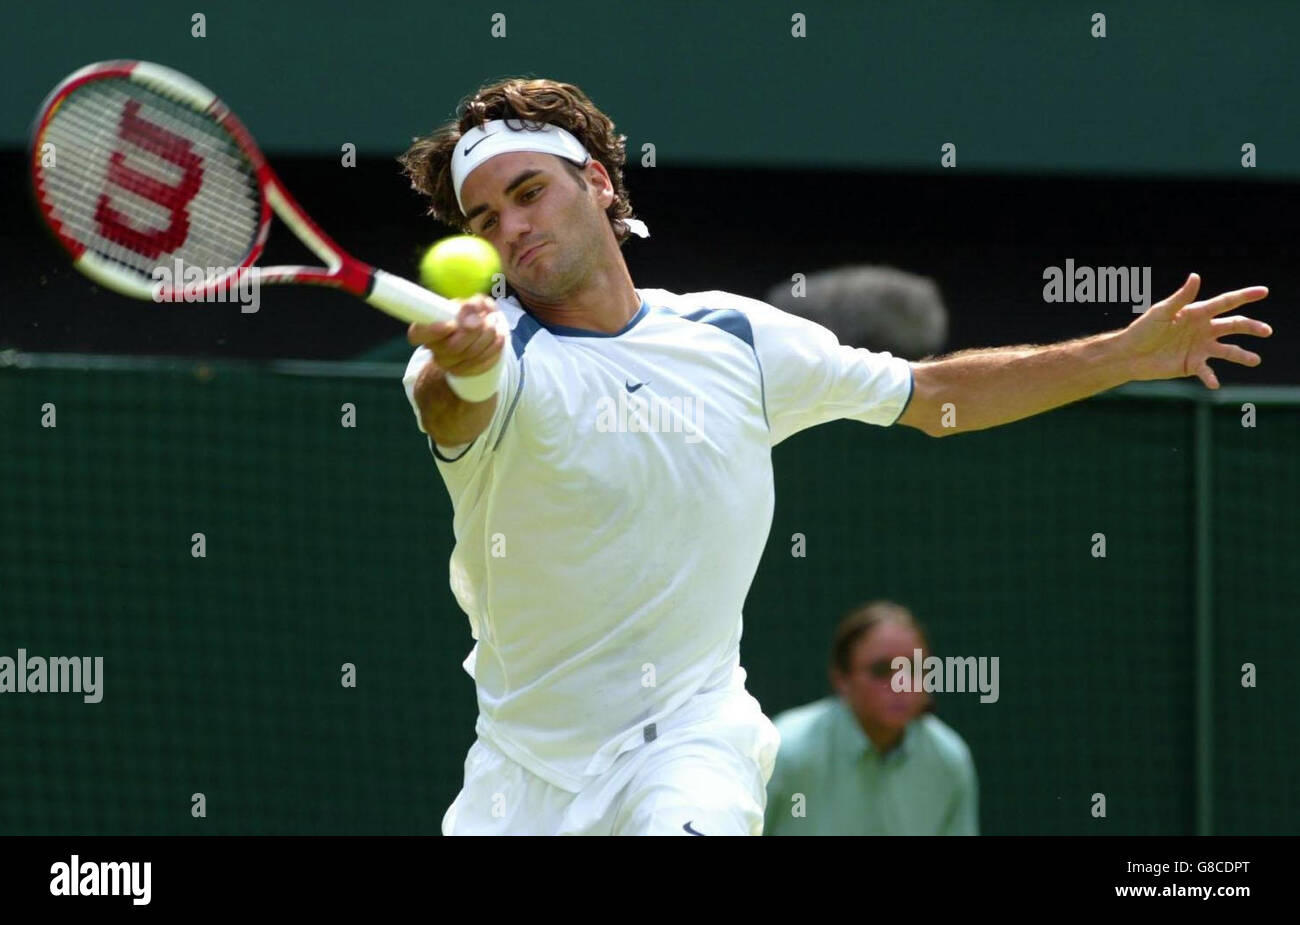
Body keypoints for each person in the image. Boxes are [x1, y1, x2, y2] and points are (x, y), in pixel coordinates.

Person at [395, 77, 1271, 836]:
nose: (511, 227)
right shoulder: (486, 357)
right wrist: (462, 367)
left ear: (593, 182)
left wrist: (1122, 353)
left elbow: (933, 399)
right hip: (521, 774)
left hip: (690, 740)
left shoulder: (736, 336)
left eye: (528, 192)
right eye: (486, 218)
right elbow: (450, 404)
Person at [764, 601, 978, 836]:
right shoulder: (785, 750)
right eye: (881, 670)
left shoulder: (949, 760)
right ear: (842, 679)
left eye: (915, 669)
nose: (902, 684)